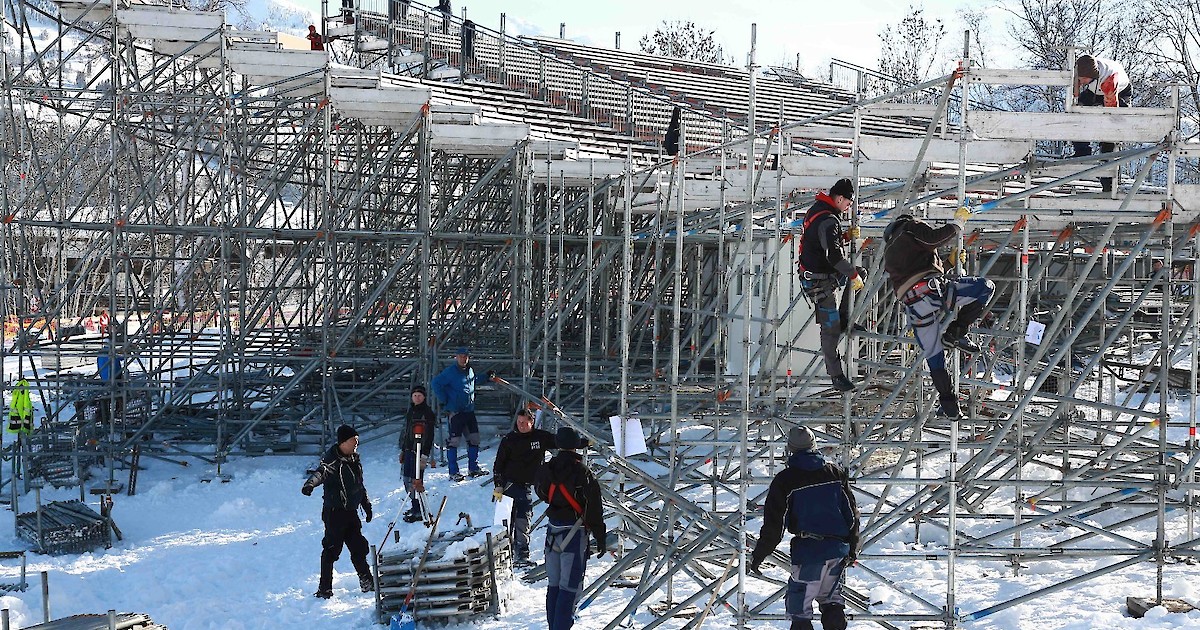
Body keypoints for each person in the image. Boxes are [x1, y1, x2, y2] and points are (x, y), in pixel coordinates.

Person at [882, 212, 995, 418]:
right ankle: (956, 332)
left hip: (915, 306)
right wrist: (956, 224)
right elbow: (932, 239)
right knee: (985, 287)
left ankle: (950, 406)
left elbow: (920, 270)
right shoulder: (909, 228)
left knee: (935, 357)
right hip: (931, 293)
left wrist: (949, 263)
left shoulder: (892, 251)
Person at [750, 427, 859, 630]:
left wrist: (759, 554)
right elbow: (851, 515)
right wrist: (852, 547)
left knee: (800, 609)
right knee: (832, 601)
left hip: (809, 552)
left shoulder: (785, 480)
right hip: (837, 550)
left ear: (790, 449)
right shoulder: (834, 473)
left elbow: (775, 525)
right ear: (814, 444)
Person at [534, 427, 606, 630]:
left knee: (554, 586)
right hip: (573, 535)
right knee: (569, 588)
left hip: (552, 533)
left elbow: (540, 491)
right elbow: (593, 507)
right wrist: (600, 536)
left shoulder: (547, 469)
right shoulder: (582, 472)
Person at [798, 178, 865, 392]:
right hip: (819, 281)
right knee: (829, 329)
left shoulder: (818, 210)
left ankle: (845, 318)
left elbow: (820, 242)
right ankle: (836, 375)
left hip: (821, 274)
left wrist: (844, 236)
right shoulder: (828, 220)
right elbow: (834, 257)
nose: (849, 207)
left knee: (861, 273)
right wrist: (852, 275)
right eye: (848, 202)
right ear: (838, 198)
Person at [302, 424, 374, 599]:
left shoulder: (354, 460)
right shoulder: (333, 460)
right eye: (353, 441)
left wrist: (366, 504)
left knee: (358, 547)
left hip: (351, 512)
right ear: (343, 442)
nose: (356, 444)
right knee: (331, 550)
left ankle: (367, 581)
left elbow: (359, 485)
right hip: (334, 513)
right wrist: (310, 484)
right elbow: (322, 472)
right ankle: (324, 588)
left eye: (357, 441)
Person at [493, 408, 557, 565]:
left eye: (524, 422)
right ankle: (515, 553)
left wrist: (582, 442)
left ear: (531, 422)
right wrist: (499, 485)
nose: (521, 425)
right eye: (519, 422)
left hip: (529, 483)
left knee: (523, 517)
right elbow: (499, 463)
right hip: (510, 484)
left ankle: (519, 552)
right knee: (512, 518)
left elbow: (559, 441)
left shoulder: (540, 437)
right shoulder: (510, 439)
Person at [431, 346, 494, 481]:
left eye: (465, 356)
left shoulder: (469, 371)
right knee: (454, 441)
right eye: (460, 356)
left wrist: (487, 376)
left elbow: (474, 380)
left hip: (469, 411)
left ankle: (473, 468)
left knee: (474, 439)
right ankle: (453, 472)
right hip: (456, 412)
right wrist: (445, 400)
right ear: (456, 357)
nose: (463, 358)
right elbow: (436, 383)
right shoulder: (450, 372)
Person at [1073, 54, 1132, 193]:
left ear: (1090, 76)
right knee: (1075, 114)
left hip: (1119, 92)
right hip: (1096, 89)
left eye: (1082, 80)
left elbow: (1111, 112)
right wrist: (1076, 97)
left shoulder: (1109, 81)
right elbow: (1076, 94)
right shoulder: (1084, 69)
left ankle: (1108, 182)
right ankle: (1082, 151)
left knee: (1110, 133)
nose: (1080, 81)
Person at [400, 386, 436, 523]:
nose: (417, 398)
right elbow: (407, 433)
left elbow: (429, 435)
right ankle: (414, 505)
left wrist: (424, 455)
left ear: (424, 397)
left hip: (420, 451)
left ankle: (419, 509)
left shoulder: (427, 413)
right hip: (409, 450)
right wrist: (403, 450)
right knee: (407, 479)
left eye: (419, 396)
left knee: (416, 480)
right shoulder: (411, 411)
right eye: (415, 395)